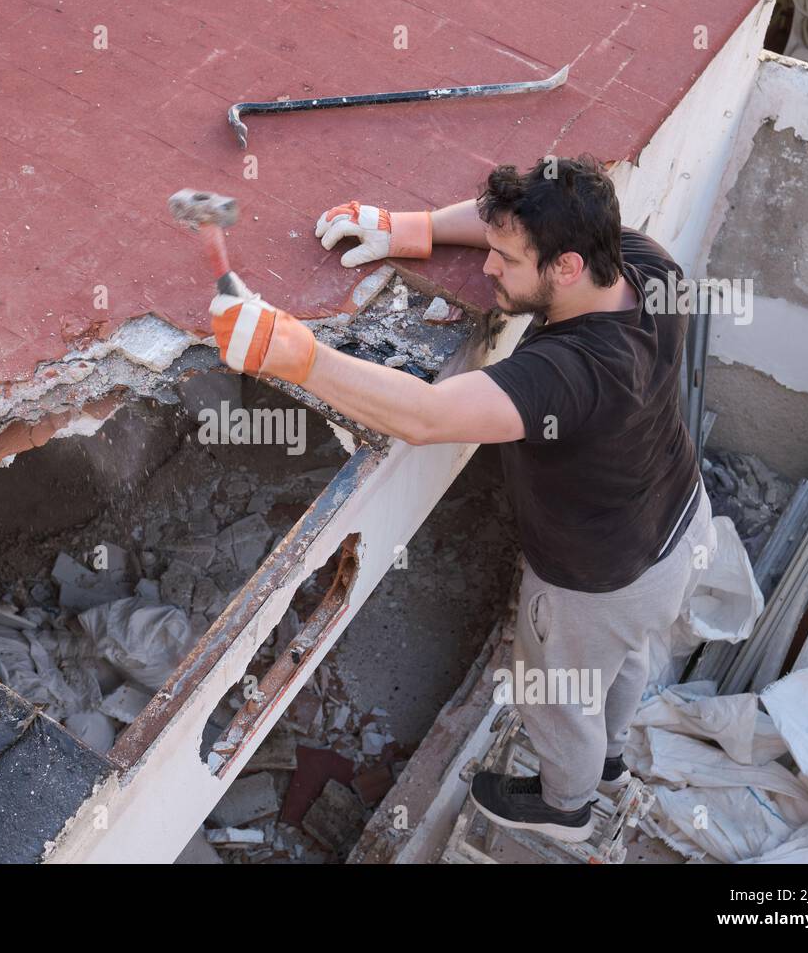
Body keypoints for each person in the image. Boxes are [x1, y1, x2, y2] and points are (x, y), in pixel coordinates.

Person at [208, 154, 717, 842]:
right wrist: (407, 228)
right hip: (678, 527)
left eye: (507, 260)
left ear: (565, 268)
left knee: (560, 694)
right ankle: (612, 758)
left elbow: (424, 416)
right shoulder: (640, 263)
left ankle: (566, 802)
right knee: (625, 657)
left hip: (593, 583)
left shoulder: (572, 376)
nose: (488, 268)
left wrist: (291, 351)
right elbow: (509, 227)